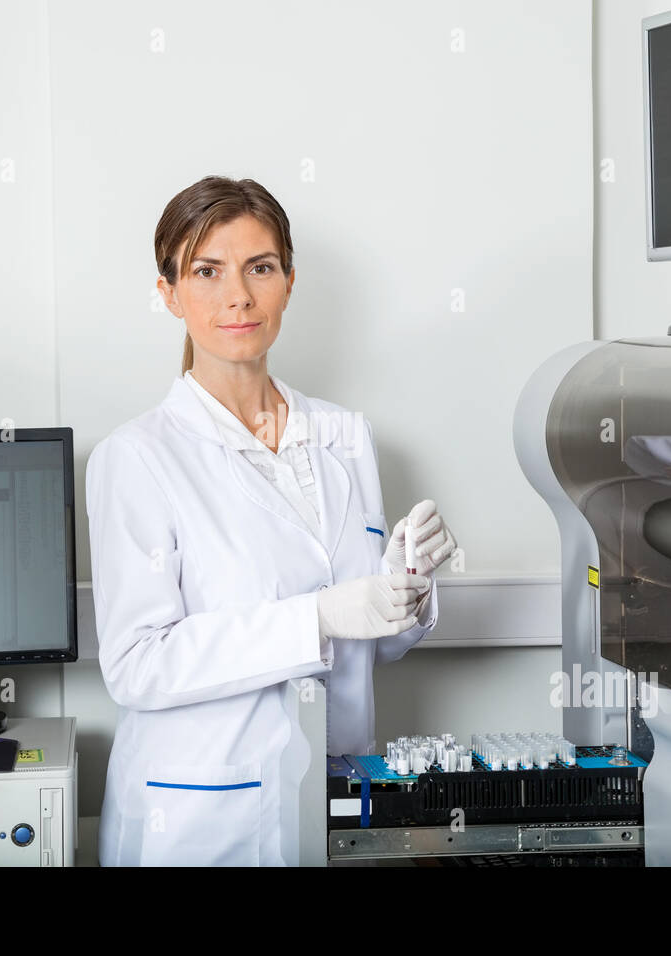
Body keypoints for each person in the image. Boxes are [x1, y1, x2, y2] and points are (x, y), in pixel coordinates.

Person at [87, 175, 457, 866]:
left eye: (260, 267)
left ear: (289, 280)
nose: (238, 296)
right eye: (207, 271)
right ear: (168, 292)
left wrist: (405, 588)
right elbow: (138, 666)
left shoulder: (346, 436)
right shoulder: (136, 457)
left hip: (340, 795)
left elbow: (368, 645)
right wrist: (317, 614)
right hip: (201, 817)